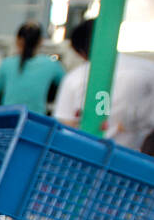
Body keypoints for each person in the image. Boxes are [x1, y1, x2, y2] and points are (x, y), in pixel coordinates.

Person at [54, 17, 154, 151]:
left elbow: (64, 126)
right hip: (139, 159)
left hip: (87, 157)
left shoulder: (75, 78)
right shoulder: (148, 69)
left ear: (81, 52)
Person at [0, 22, 64, 115]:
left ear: (17, 40)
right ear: (41, 41)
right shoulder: (51, 64)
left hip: (9, 120)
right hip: (37, 121)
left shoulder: (6, 63)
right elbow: (66, 87)